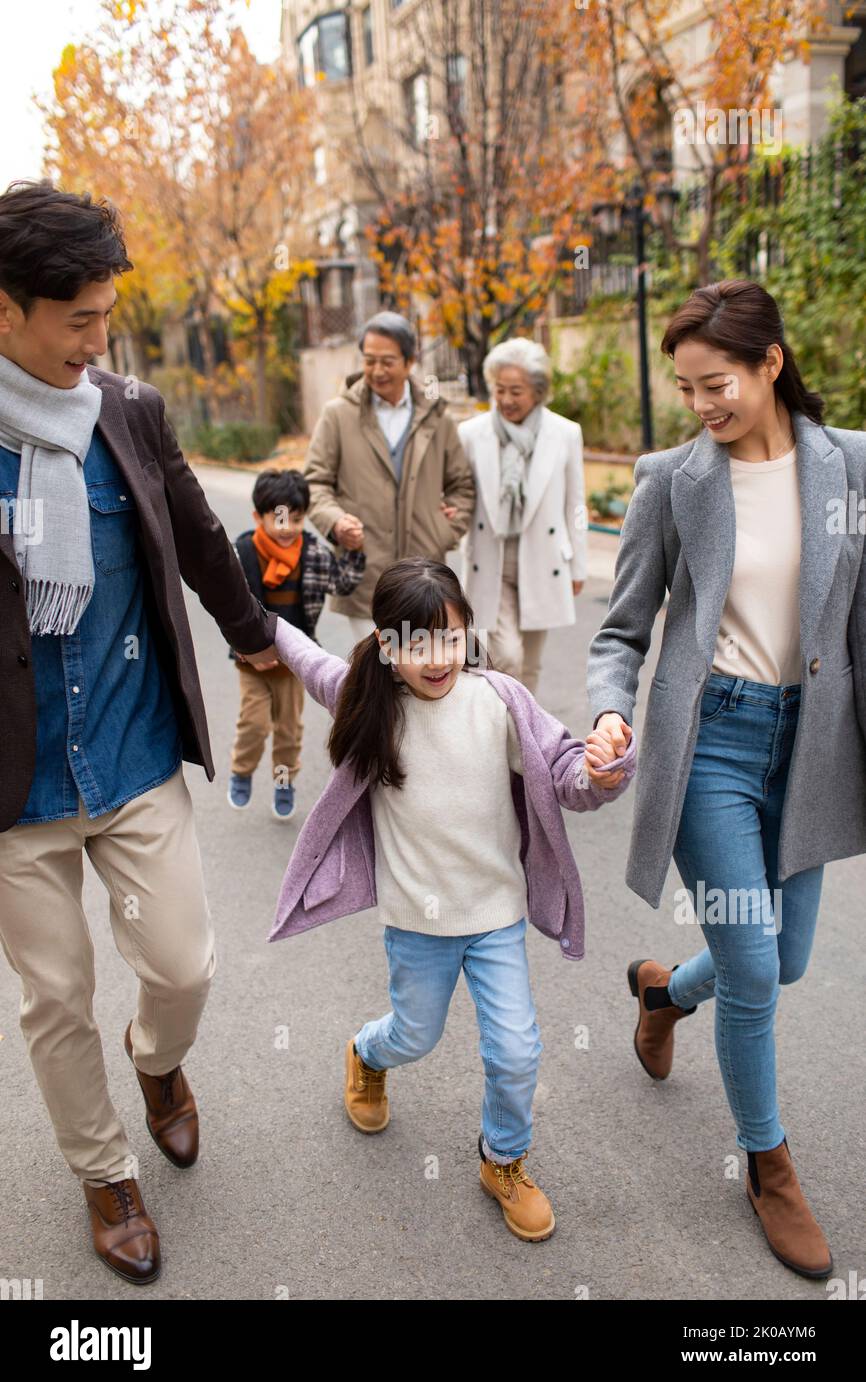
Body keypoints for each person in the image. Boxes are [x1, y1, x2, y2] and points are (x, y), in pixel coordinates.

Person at [0, 180, 279, 1285]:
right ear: (7, 309)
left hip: (128, 752)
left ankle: (157, 1063)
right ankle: (103, 1172)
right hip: (14, 789)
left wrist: (261, 640)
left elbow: (205, 543)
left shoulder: (129, 409)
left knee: (182, 966)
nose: (98, 339)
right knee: (55, 993)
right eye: (77, 318)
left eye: (107, 314)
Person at [586, 278, 866, 1280]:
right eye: (686, 388)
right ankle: (766, 1165)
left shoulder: (849, 466)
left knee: (780, 960)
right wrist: (612, 706)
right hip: (709, 743)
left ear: (769, 363)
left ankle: (662, 993)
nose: (701, 406)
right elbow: (620, 627)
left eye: (716, 385)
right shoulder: (671, 478)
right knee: (753, 971)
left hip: (813, 745)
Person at [266, 557, 636, 1241]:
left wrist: (601, 767)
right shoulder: (367, 700)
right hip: (417, 924)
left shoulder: (497, 700)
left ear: (468, 631)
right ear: (387, 647)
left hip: (494, 916)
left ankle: (504, 1159)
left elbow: (564, 772)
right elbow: (307, 657)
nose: (436, 657)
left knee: (517, 1049)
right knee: (415, 1035)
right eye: (414, 641)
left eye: (450, 637)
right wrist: (257, 618)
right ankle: (368, 1056)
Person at [302, 310, 476, 644]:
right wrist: (336, 522)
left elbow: (462, 486)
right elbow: (315, 482)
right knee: (380, 673)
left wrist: (443, 531)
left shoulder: (437, 417)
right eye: (369, 361)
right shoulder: (338, 415)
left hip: (424, 577)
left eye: (387, 361)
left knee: (420, 675)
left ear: (410, 362)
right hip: (364, 571)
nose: (377, 371)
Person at [226, 467, 365, 820]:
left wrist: (353, 550)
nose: (288, 529)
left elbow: (343, 583)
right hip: (252, 661)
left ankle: (284, 780)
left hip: (293, 660)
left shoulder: (313, 555)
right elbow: (225, 605)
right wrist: (242, 644)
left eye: (297, 520)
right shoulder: (241, 554)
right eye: (280, 520)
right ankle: (242, 771)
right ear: (258, 516)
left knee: (288, 730)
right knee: (254, 724)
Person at [458, 337, 588, 692]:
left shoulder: (564, 434)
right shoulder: (471, 434)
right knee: (506, 657)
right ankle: (498, 726)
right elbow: (457, 490)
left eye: (516, 391)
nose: (506, 400)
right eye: (499, 390)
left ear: (538, 392)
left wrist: (578, 564)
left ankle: (521, 740)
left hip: (542, 557)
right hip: (490, 557)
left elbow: (575, 504)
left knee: (530, 664)